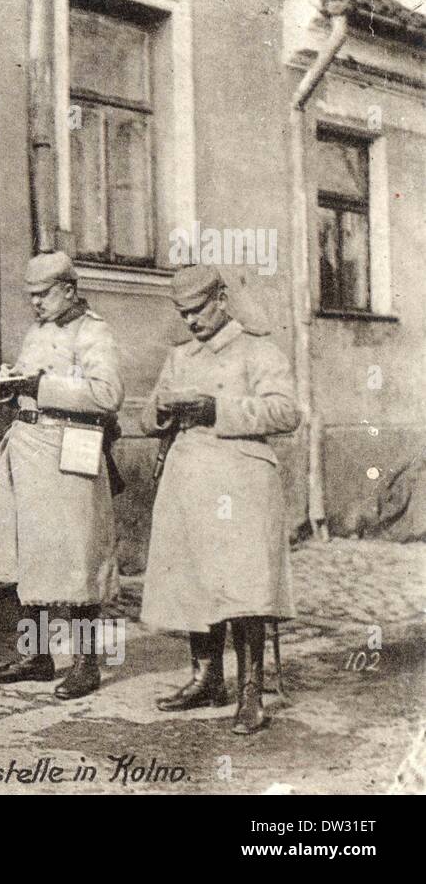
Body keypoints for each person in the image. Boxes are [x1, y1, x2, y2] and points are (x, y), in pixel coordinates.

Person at [140, 265, 300, 734]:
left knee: (243, 586)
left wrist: (217, 409)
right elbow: (149, 417)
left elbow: (286, 411)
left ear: (222, 299)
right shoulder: (181, 356)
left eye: (197, 311)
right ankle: (206, 678)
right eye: (183, 313)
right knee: (193, 579)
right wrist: (164, 410)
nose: (190, 322)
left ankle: (251, 693)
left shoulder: (258, 349)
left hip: (242, 480)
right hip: (188, 479)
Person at [0, 252, 124, 699]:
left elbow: (107, 395)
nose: (36, 304)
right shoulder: (37, 331)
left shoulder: (94, 332)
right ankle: (37, 657)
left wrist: (40, 386)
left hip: (70, 452)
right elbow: (30, 383)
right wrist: (14, 386)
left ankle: (86, 663)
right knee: (31, 554)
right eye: (31, 296)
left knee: (77, 557)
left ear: (69, 289)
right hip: (30, 447)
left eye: (43, 295)